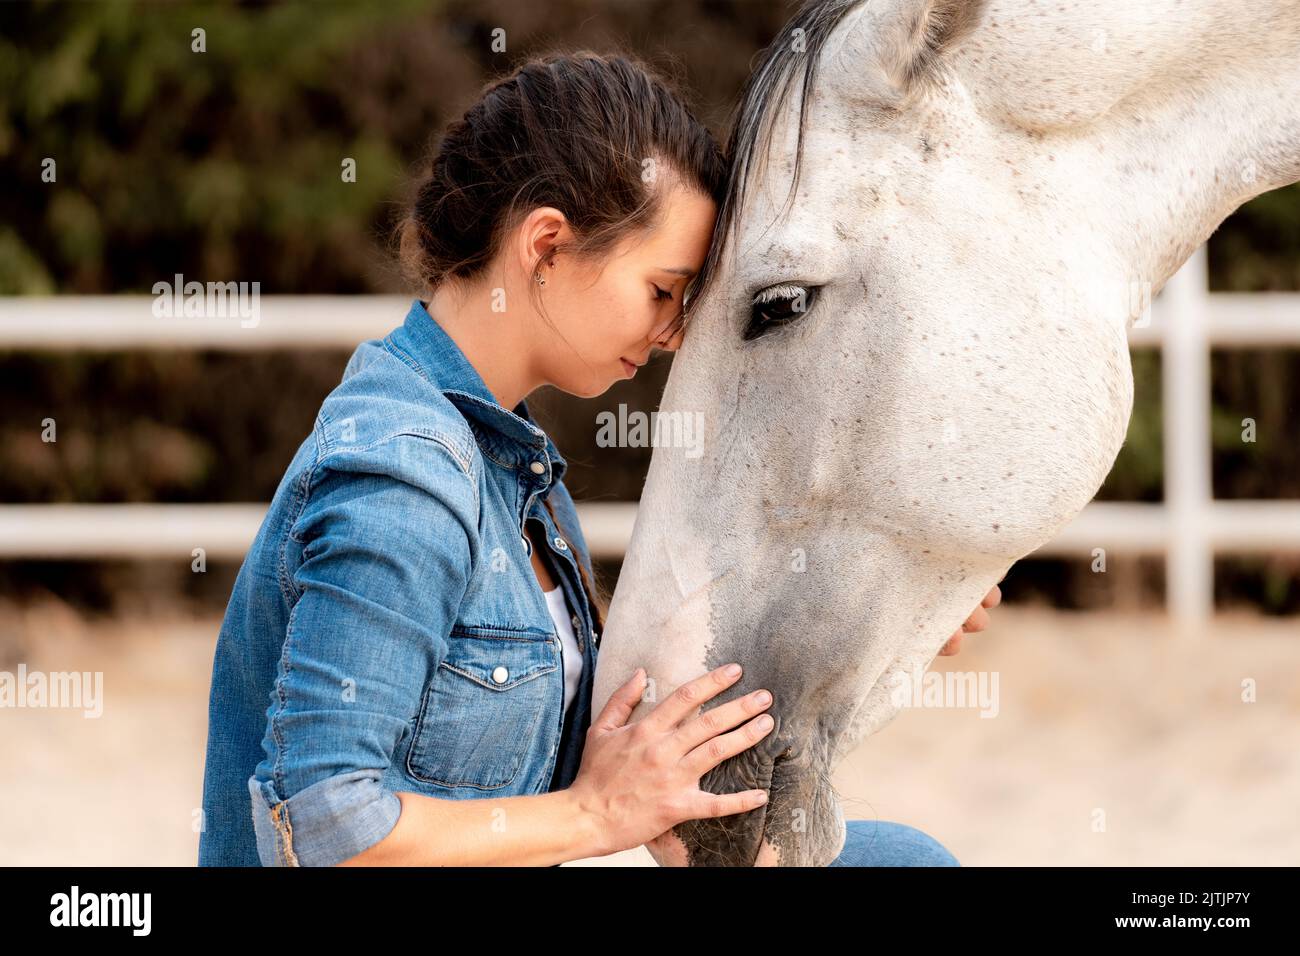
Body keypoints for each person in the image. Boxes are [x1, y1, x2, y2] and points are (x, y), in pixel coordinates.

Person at [197, 49, 998, 868]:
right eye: (662, 289)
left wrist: (883, 624)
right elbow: (325, 824)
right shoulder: (403, 480)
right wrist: (592, 817)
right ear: (546, 245)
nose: (674, 331)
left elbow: (579, 754)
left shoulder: (511, 466)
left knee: (896, 858)